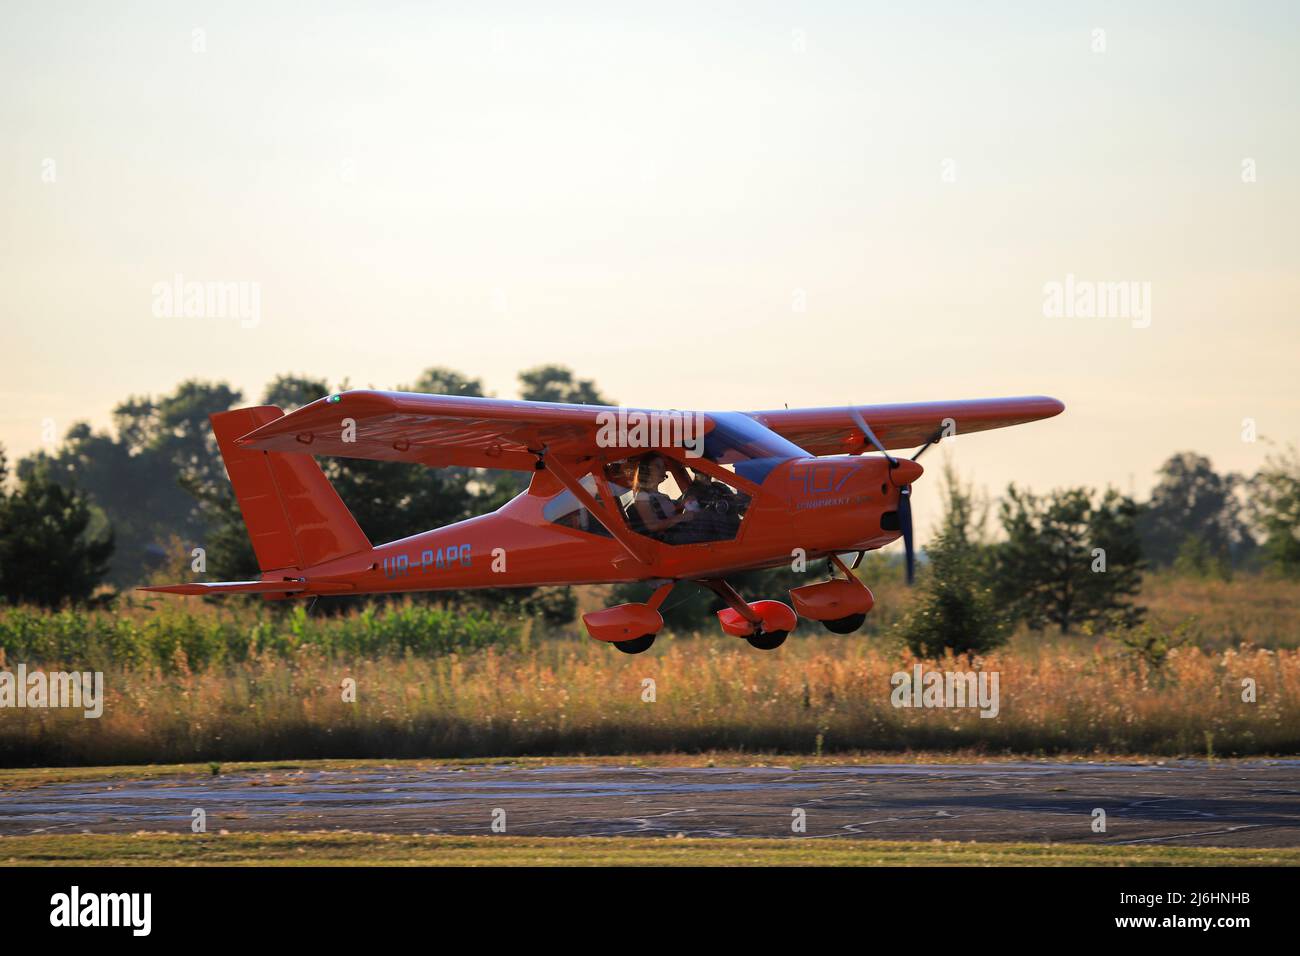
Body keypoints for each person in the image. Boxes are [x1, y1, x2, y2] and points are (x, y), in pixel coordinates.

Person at [626, 454, 695, 541]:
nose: (663, 470)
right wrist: (681, 517)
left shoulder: (660, 496)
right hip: (670, 540)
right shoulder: (642, 496)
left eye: (663, 467)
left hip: (678, 533)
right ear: (646, 470)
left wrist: (684, 503)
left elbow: (671, 508)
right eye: (658, 466)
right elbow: (653, 526)